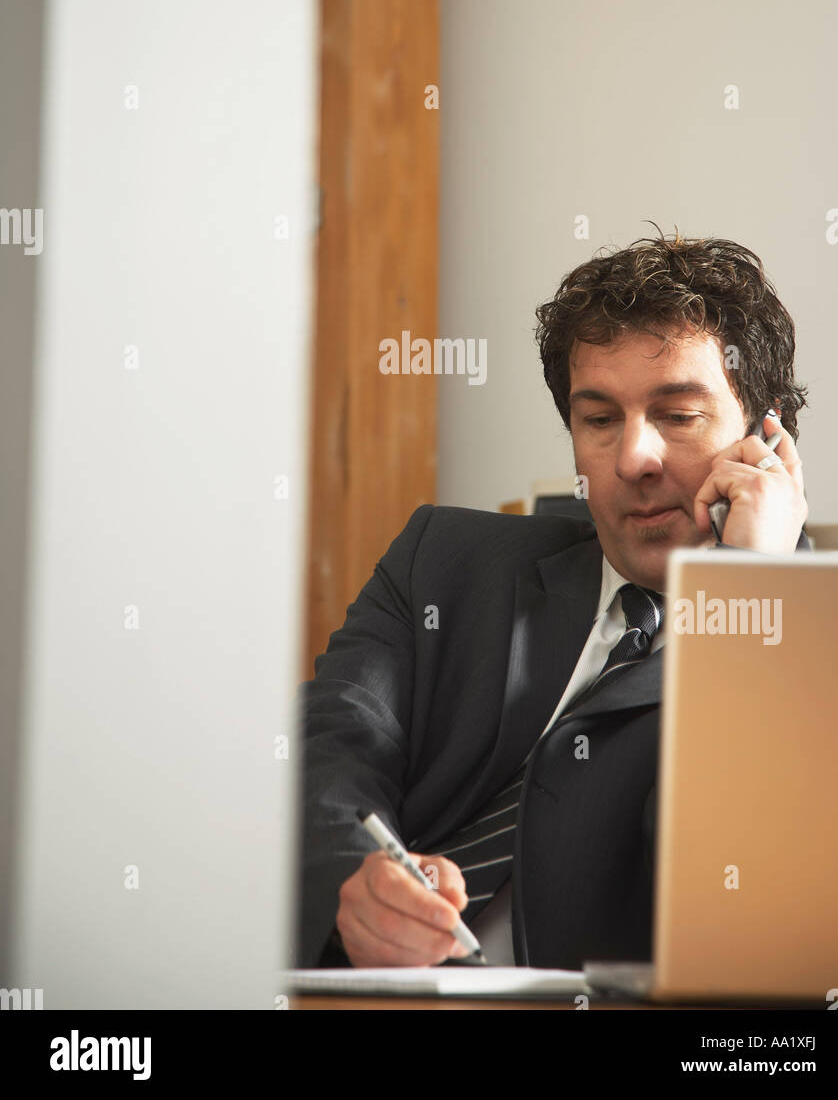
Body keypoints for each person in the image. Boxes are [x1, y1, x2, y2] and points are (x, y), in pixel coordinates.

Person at [294, 231, 810, 969]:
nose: (633, 458)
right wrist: (355, 878)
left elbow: (746, 900)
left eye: (678, 415)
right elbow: (329, 748)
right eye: (599, 419)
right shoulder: (440, 563)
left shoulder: (822, 641)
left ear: (766, 434)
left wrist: (750, 590)